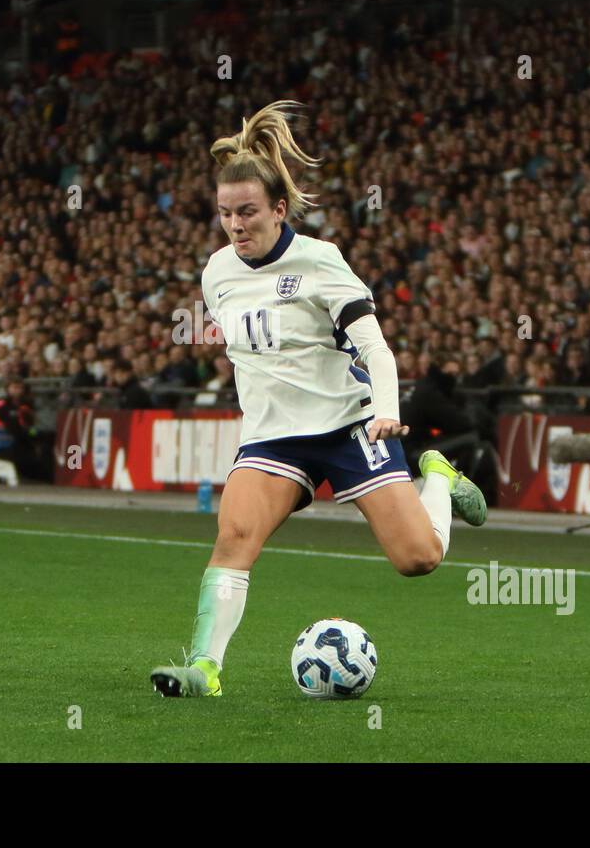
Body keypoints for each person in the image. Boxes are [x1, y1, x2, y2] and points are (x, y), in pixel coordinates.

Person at [150, 101, 486, 699]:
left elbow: (377, 351)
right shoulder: (217, 272)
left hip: (352, 426)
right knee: (234, 537)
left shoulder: (321, 261)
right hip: (274, 438)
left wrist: (388, 410)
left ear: (280, 209)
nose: (235, 224)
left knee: (418, 559)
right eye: (225, 213)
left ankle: (437, 477)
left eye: (247, 211)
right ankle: (204, 667)